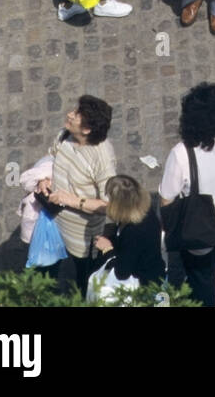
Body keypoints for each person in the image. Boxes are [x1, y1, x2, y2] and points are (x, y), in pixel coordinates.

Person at [159, 83, 215, 307]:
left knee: (202, 280)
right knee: (210, 270)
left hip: (199, 232)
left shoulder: (182, 154)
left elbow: (166, 199)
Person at [35, 96, 115, 298]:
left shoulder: (102, 160)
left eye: (77, 114)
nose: (70, 114)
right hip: (53, 223)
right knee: (45, 272)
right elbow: (52, 157)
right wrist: (45, 178)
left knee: (83, 279)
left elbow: (110, 205)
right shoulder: (65, 135)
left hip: (82, 237)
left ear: (87, 130)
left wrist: (71, 200)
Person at [93, 175, 164, 287]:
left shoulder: (134, 232)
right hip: (155, 272)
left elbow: (122, 273)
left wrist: (107, 249)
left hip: (143, 285)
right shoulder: (144, 210)